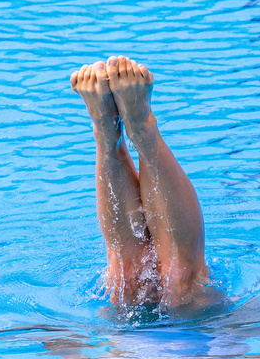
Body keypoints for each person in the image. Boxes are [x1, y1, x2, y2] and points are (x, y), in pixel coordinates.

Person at [70, 56, 210, 311]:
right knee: (182, 283)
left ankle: (106, 127)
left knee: (125, 278)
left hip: (118, 336)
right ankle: (140, 127)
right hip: (197, 335)